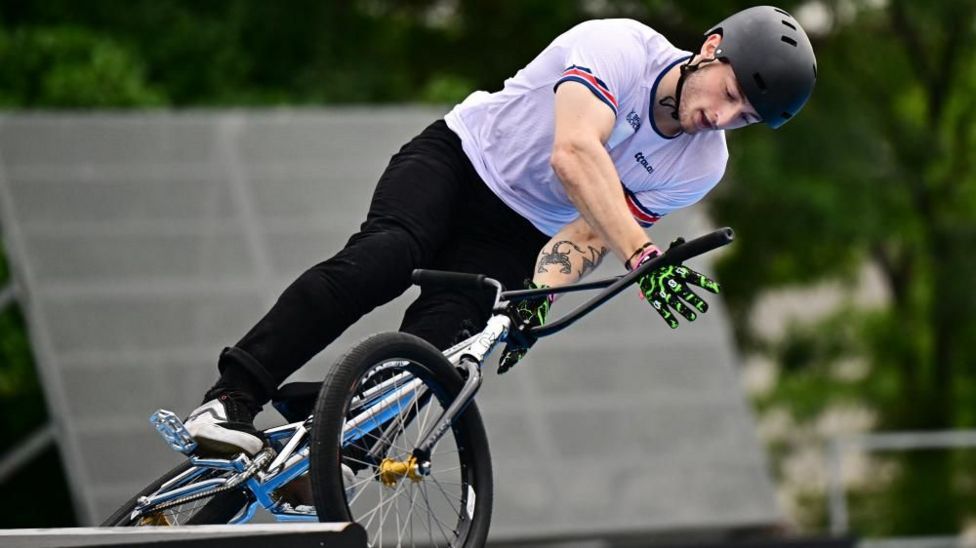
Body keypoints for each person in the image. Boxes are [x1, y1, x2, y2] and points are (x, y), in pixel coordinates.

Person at [184, 5, 817, 457]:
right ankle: (232, 397)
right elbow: (572, 155)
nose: (722, 118)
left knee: (447, 350)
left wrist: (535, 302)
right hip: (460, 163)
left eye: (745, 118)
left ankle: (319, 445)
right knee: (386, 256)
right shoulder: (619, 47)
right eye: (730, 93)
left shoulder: (704, 163)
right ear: (709, 49)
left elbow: (589, 234)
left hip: (519, 232)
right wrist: (646, 256)